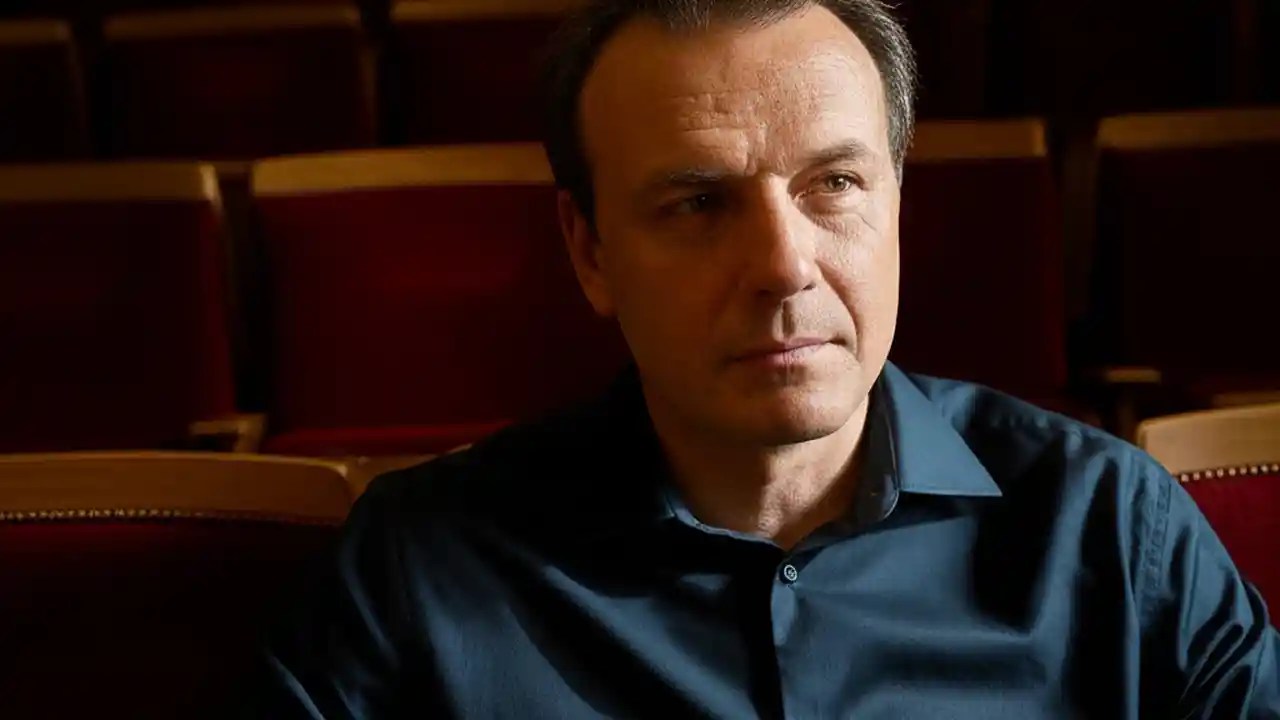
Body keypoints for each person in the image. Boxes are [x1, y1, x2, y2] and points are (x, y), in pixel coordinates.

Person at [249, 1, 1280, 717]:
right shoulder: (416, 571)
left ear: (895, 210)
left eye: (833, 185)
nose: (785, 266)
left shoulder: (1109, 529)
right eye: (698, 203)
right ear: (589, 251)